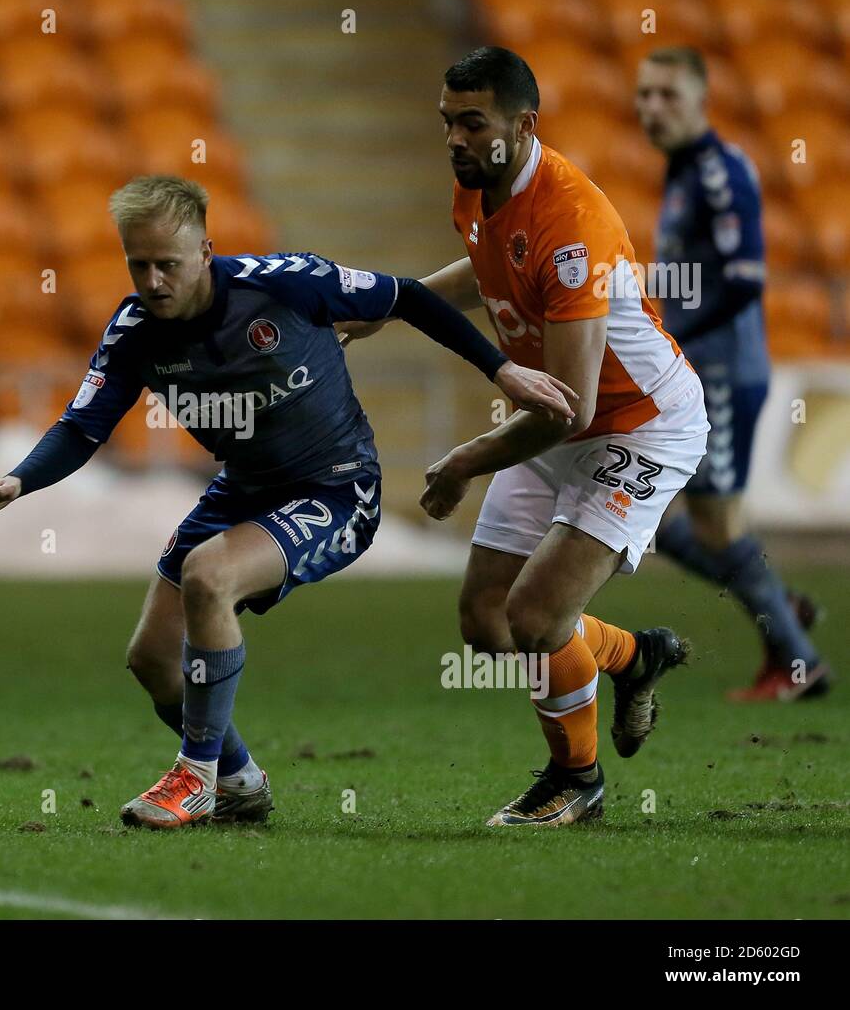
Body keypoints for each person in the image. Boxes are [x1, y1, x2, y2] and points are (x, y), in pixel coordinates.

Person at [0, 174, 577, 829]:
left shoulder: (284, 283)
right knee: (151, 658)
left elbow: (404, 296)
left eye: (167, 264)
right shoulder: (136, 330)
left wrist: (502, 370)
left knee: (210, 576)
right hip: (244, 488)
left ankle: (195, 776)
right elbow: (81, 427)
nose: (153, 281)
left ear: (205, 251)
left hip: (337, 486)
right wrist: (20, 479)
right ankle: (238, 780)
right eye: (137, 265)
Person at [353, 46, 709, 826]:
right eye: (447, 122)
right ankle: (631, 655)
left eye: (471, 124)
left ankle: (574, 779)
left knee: (538, 618)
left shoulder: (571, 222)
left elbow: (573, 409)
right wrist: (393, 304)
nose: (454, 139)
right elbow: (485, 271)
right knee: (488, 621)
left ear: (523, 124)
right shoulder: (478, 186)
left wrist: (465, 461)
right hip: (559, 414)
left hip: (637, 424)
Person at [635, 46, 830, 702]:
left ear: (700, 100)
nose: (653, 108)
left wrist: (673, 336)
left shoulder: (719, 172)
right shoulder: (686, 171)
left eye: (669, 94)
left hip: (719, 371)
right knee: (678, 520)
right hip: (699, 371)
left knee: (702, 524)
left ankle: (799, 661)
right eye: (645, 95)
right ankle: (777, 604)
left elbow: (745, 280)